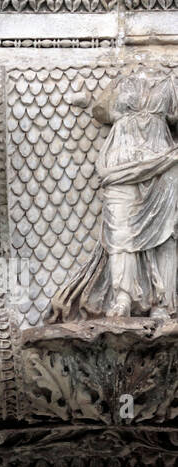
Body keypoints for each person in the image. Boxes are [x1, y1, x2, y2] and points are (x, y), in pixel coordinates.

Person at [53, 68, 178, 320]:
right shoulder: (121, 81)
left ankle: (163, 304)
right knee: (119, 231)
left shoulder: (171, 84)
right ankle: (122, 297)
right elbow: (101, 110)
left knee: (166, 234)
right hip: (119, 164)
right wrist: (89, 100)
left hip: (162, 164)